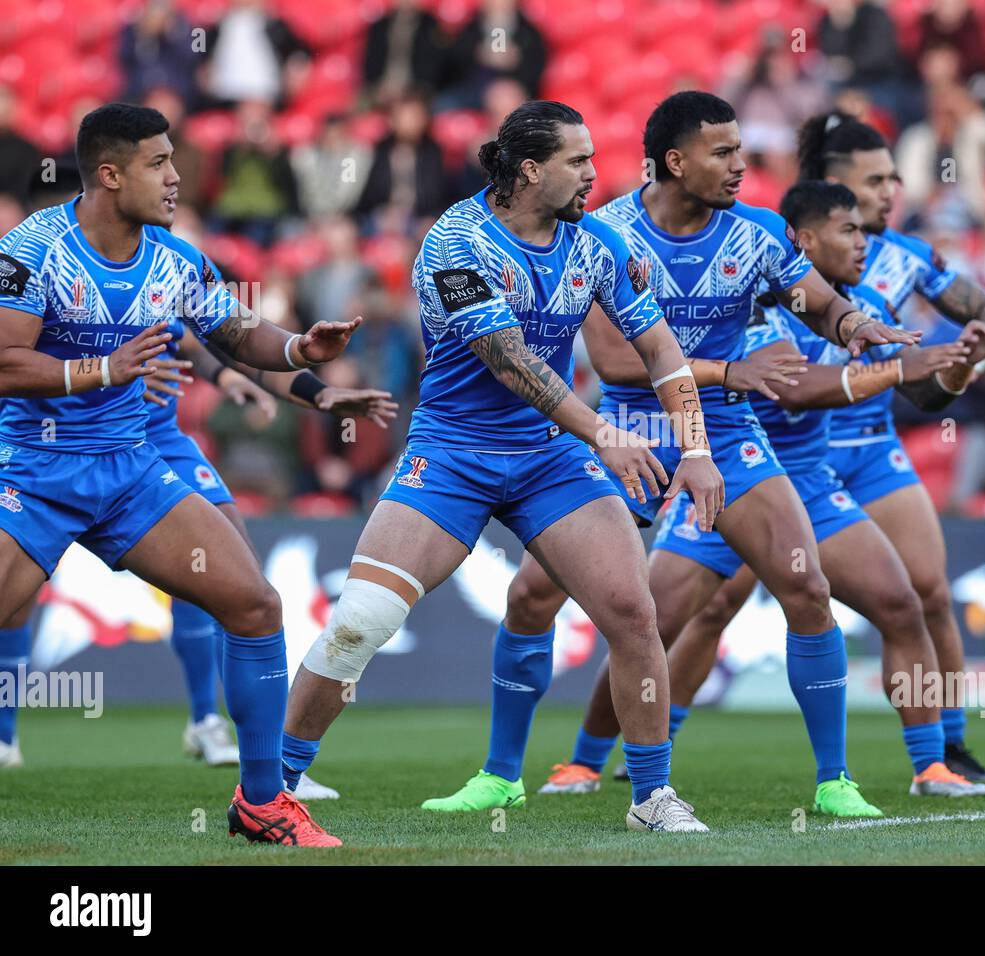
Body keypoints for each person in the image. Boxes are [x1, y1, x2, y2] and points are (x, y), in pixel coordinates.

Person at [421, 92, 916, 813]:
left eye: (741, 150)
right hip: (627, 433)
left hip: (727, 436)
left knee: (806, 589)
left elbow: (820, 304)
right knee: (531, 595)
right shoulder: (601, 231)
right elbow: (619, 364)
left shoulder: (758, 234)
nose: (741, 166)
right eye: (724, 153)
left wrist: (856, 326)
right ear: (676, 162)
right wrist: (729, 370)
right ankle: (501, 773)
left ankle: (835, 783)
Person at [277, 100, 728, 835]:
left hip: (549, 458)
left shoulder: (597, 244)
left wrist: (698, 450)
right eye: (577, 162)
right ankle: (274, 782)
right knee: (361, 620)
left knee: (632, 612)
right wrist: (603, 432)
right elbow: (510, 362)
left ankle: (652, 798)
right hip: (452, 453)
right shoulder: (455, 242)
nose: (594, 175)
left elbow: (661, 351)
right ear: (528, 170)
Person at [0, 103, 362, 846]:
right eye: (158, 164)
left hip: (131, 472)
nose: (175, 178)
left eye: (173, 161)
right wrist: (99, 368)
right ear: (109, 174)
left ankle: (261, 804)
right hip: (32, 472)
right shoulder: (32, 250)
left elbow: (234, 330)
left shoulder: (172, 256)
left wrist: (298, 348)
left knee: (255, 605)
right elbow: (4, 361)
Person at [639, 181, 985, 801]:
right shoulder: (754, 297)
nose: (867, 237)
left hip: (810, 476)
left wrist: (963, 361)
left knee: (902, 602)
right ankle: (599, 759)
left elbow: (924, 392)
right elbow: (796, 387)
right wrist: (893, 368)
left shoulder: (864, 302)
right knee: (659, 617)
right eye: (850, 228)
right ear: (804, 240)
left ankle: (929, 764)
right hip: (741, 470)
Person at [0, 315, 396, 795]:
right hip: (55, 448)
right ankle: (6, 735)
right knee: (14, 601)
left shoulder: (169, 264)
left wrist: (304, 390)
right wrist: (107, 379)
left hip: (155, 443)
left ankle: (257, 762)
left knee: (241, 585)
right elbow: (18, 359)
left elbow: (228, 340)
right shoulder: (46, 263)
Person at [793, 112, 985, 781]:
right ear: (830, 184)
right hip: (792, 454)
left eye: (895, 178)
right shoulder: (780, 255)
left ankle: (949, 745)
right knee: (702, 607)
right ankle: (615, 755)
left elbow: (983, 310)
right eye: (874, 179)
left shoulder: (906, 257)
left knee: (929, 593)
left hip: (872, 444)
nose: (890, 191)